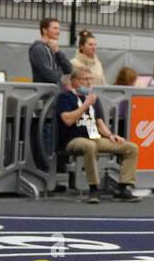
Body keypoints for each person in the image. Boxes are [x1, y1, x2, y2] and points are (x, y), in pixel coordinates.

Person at [56, 65, 140, 204]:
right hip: (73, 138)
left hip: (94, 136)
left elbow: (99, 122)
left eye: (90, 79)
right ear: (75, 81)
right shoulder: (65, 97)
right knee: (89, 146)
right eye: (85, 79)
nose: (89, 83)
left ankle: (122, 187)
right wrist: (85, 105)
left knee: (131, 147)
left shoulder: (93, 99)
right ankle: (93, 188)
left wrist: (110, 135)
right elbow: (68, 120)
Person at [29, 17, 72, 85]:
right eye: (55, 28)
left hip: (56, 91)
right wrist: (62, 76)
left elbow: (68, 69)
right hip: (44, 92)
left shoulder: (54, 49)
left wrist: (58, 52)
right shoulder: (38, 49)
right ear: (44, 30)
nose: (58, 31)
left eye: (59, 29)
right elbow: (49, 75)